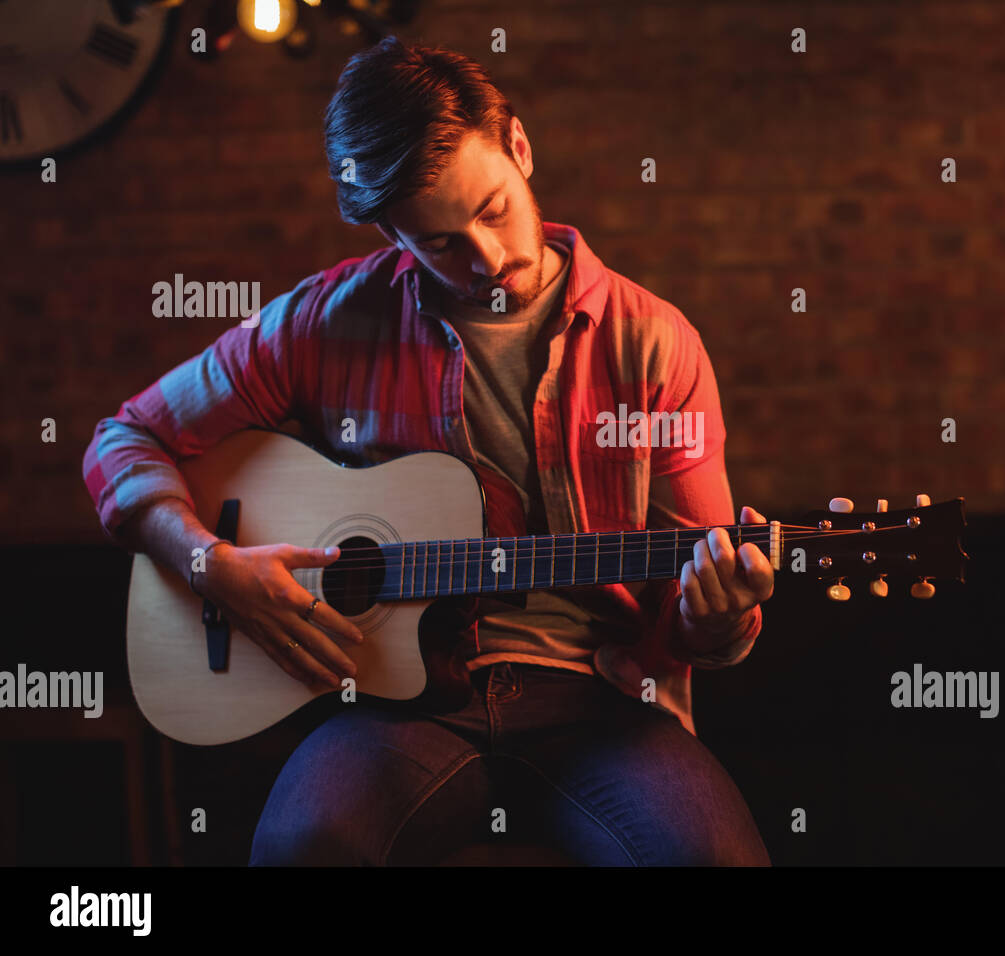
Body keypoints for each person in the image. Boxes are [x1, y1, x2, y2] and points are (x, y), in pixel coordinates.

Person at [82, 38, 773, 866]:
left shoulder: (653, 345)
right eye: (441, 242)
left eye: (492, 211)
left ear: (518, 148)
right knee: (302, 848)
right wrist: (208, 564)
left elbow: (692, 615)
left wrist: (716, 613)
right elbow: (125, 438)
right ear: (391, 232)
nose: (486, 261)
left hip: (603, 698)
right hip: (396, 707)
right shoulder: (324, 322)